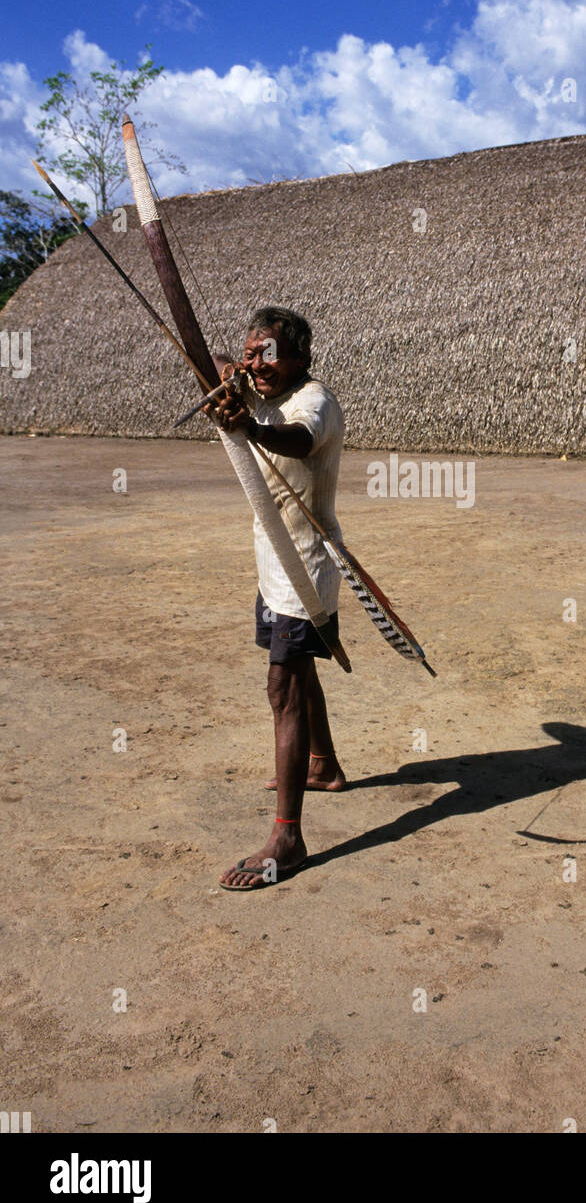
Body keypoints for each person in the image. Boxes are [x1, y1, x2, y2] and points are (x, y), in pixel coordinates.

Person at [210, 306, 346, 890]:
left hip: (306, 568)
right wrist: (230, 373)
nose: (259, 365)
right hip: (274, 565)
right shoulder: (258, 384)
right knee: (300, 674)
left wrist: (249, 426)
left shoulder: (313, 402)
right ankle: (323, 765)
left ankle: (287, 839)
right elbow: (216, 361)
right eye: (252, 354)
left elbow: (294, 439)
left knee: (283, 685)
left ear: (300, 358)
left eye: (271, 355)